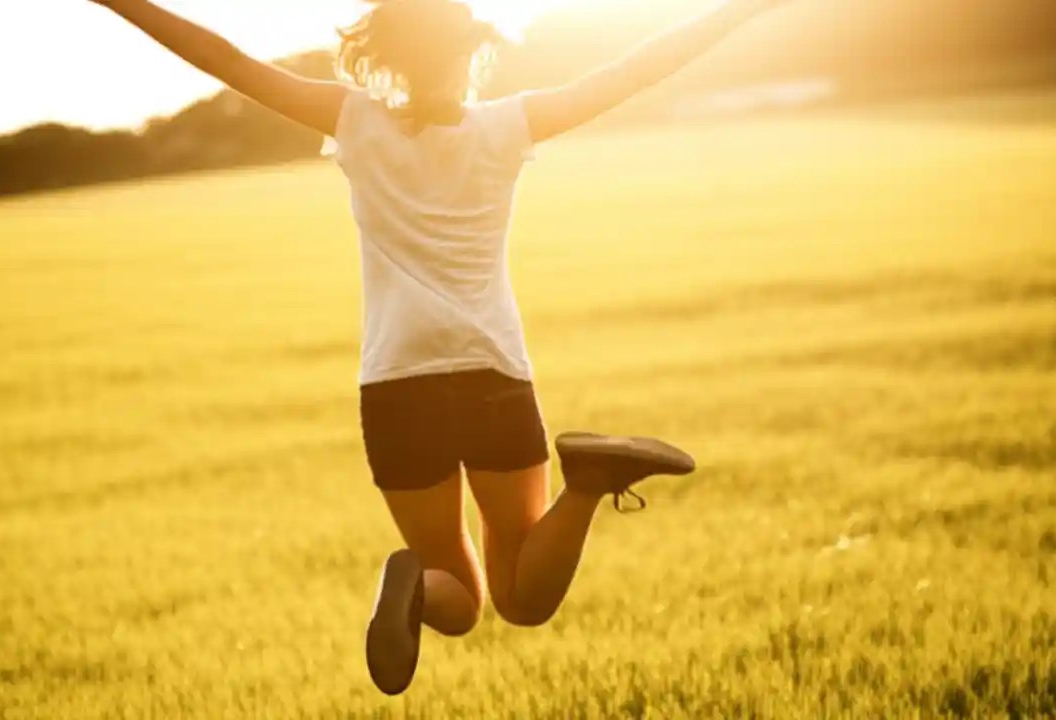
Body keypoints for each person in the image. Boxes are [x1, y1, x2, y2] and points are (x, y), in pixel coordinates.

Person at [86, 0, 791, 695]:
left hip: (397, 390)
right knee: (521, 595)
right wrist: (740, 12)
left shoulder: (352, 120)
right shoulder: (510, 123)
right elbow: (633, 68)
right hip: (493, 376)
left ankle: (415, 586)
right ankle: (586, 483)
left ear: (385, 55)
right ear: (472, 50)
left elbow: (228, 61)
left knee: (454, 591)